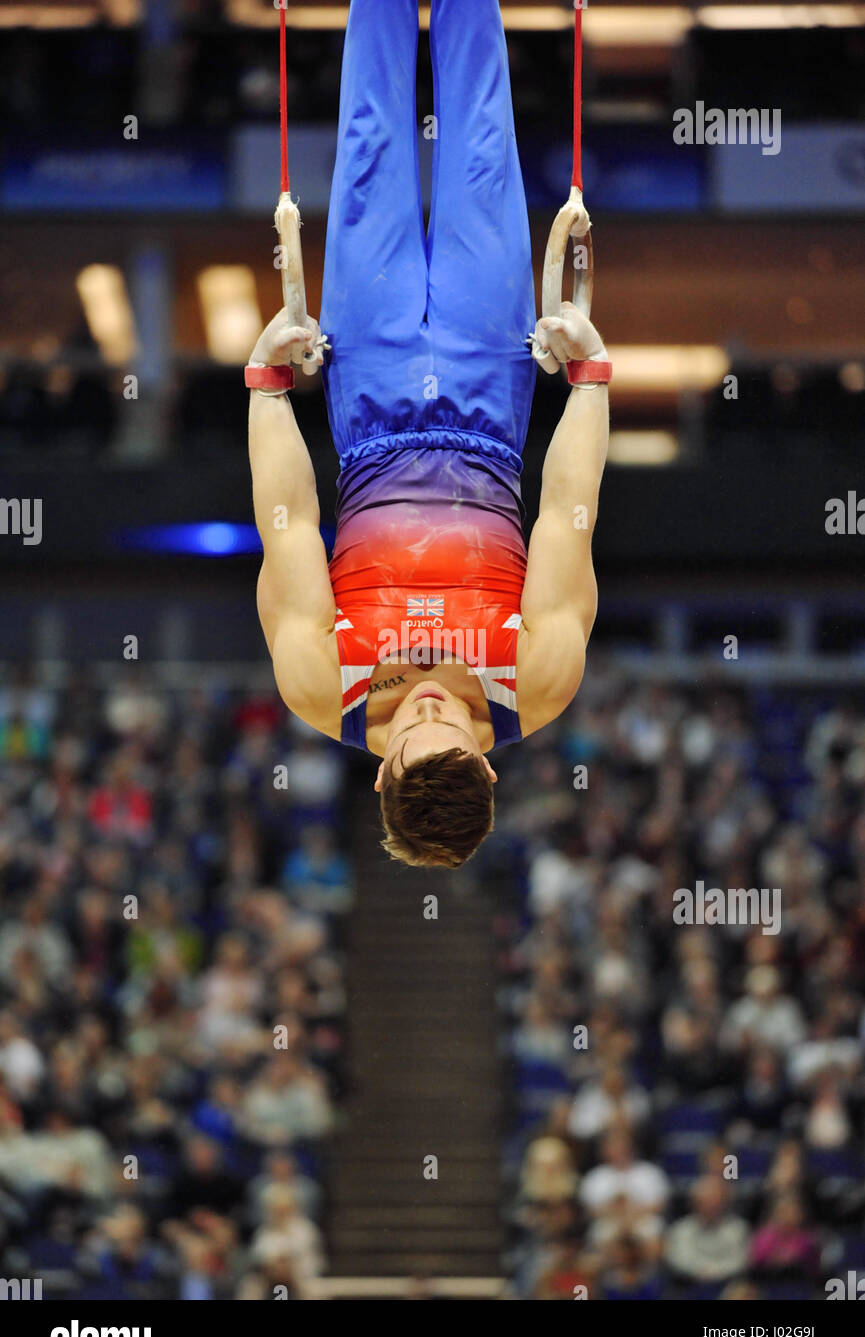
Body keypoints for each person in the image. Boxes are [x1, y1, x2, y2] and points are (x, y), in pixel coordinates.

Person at [247, 0, 610, 867]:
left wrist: (266, 387)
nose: (435, 704)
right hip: (489, 395)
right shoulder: (538, 682)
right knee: (480, 142)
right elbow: (566, 509)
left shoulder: (315, 686)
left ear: (380, 774)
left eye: (416, 720)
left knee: (370, 139)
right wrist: (590, 379)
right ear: (488, 767)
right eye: (453, 723)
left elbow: (284, 521)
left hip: (370, 398)